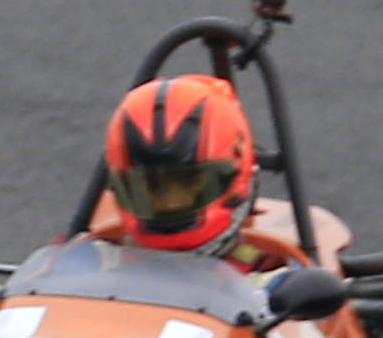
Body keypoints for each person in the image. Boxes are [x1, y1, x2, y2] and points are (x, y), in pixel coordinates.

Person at [99, 73, 287, 269]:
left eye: (187, 184)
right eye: (153, 188)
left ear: (235, 178)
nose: (171, 203)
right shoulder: (94, 263)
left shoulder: (270, 278)